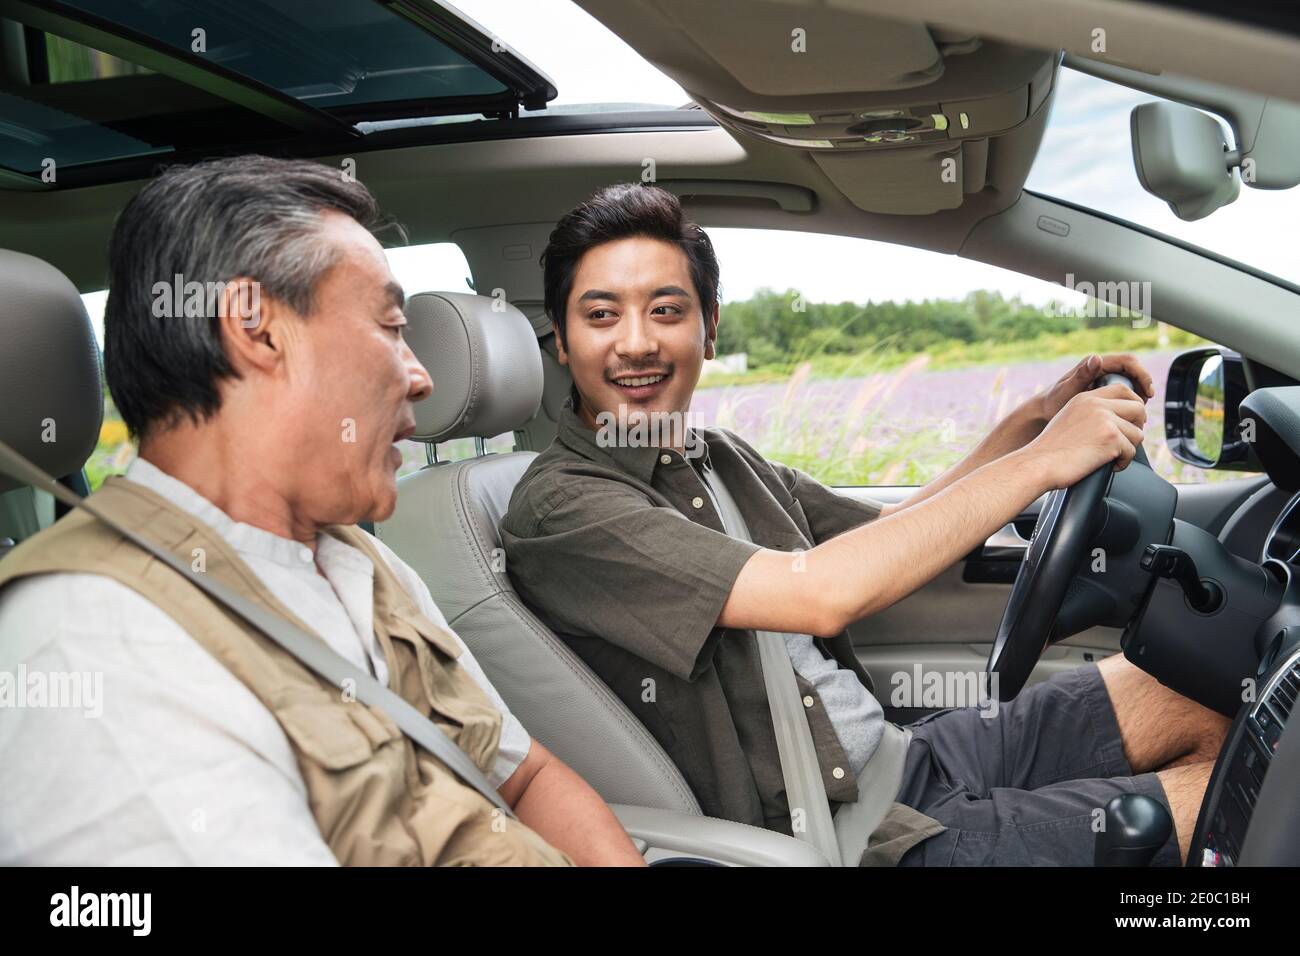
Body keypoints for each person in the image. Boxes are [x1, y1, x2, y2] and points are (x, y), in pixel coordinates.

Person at [501, 183, 1230, 866]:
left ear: (710, 328)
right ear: (562, 341)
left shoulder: (714, 455)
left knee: (1192, 688)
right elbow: (822, 592)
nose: (636, 343)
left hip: (904, 756)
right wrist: (1044, 463)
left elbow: (893, 528)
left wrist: (1029, 421)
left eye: (666, 310)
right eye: (601, 315)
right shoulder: (565, 508)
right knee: (1232, 804)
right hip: (852, 834)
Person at [0, 156, 645, 867]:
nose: (421, 375)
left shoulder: (360, 560)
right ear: (257, 329)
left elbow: (523, 779)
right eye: (391, 326)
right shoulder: (96, 638)